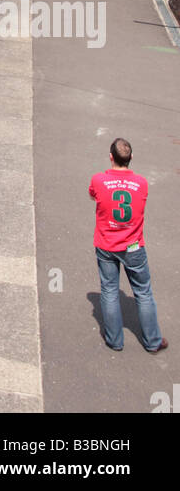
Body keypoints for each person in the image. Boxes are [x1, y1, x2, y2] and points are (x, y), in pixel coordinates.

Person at [89, 138, 167, 353]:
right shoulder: (141, 183)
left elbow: (93, 196)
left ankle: (115, 340)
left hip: (106, 244)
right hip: (133, 245)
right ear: (131, 158)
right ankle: (152, 341)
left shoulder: (98, 180)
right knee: (143, 292)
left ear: (110, 157)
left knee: (110, 289)